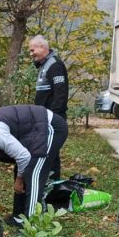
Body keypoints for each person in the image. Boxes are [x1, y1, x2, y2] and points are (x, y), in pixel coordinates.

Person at [29, 36, 69, 179]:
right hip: (43, 118)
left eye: (32, 50)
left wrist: (52, 118)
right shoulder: (44, 65)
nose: (31, 53)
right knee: (45, 150)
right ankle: (47, 182)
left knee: (51, 153)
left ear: (42, 48)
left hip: (52, 119)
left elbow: (60, 95)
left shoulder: (55, 65)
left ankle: (53, 185)